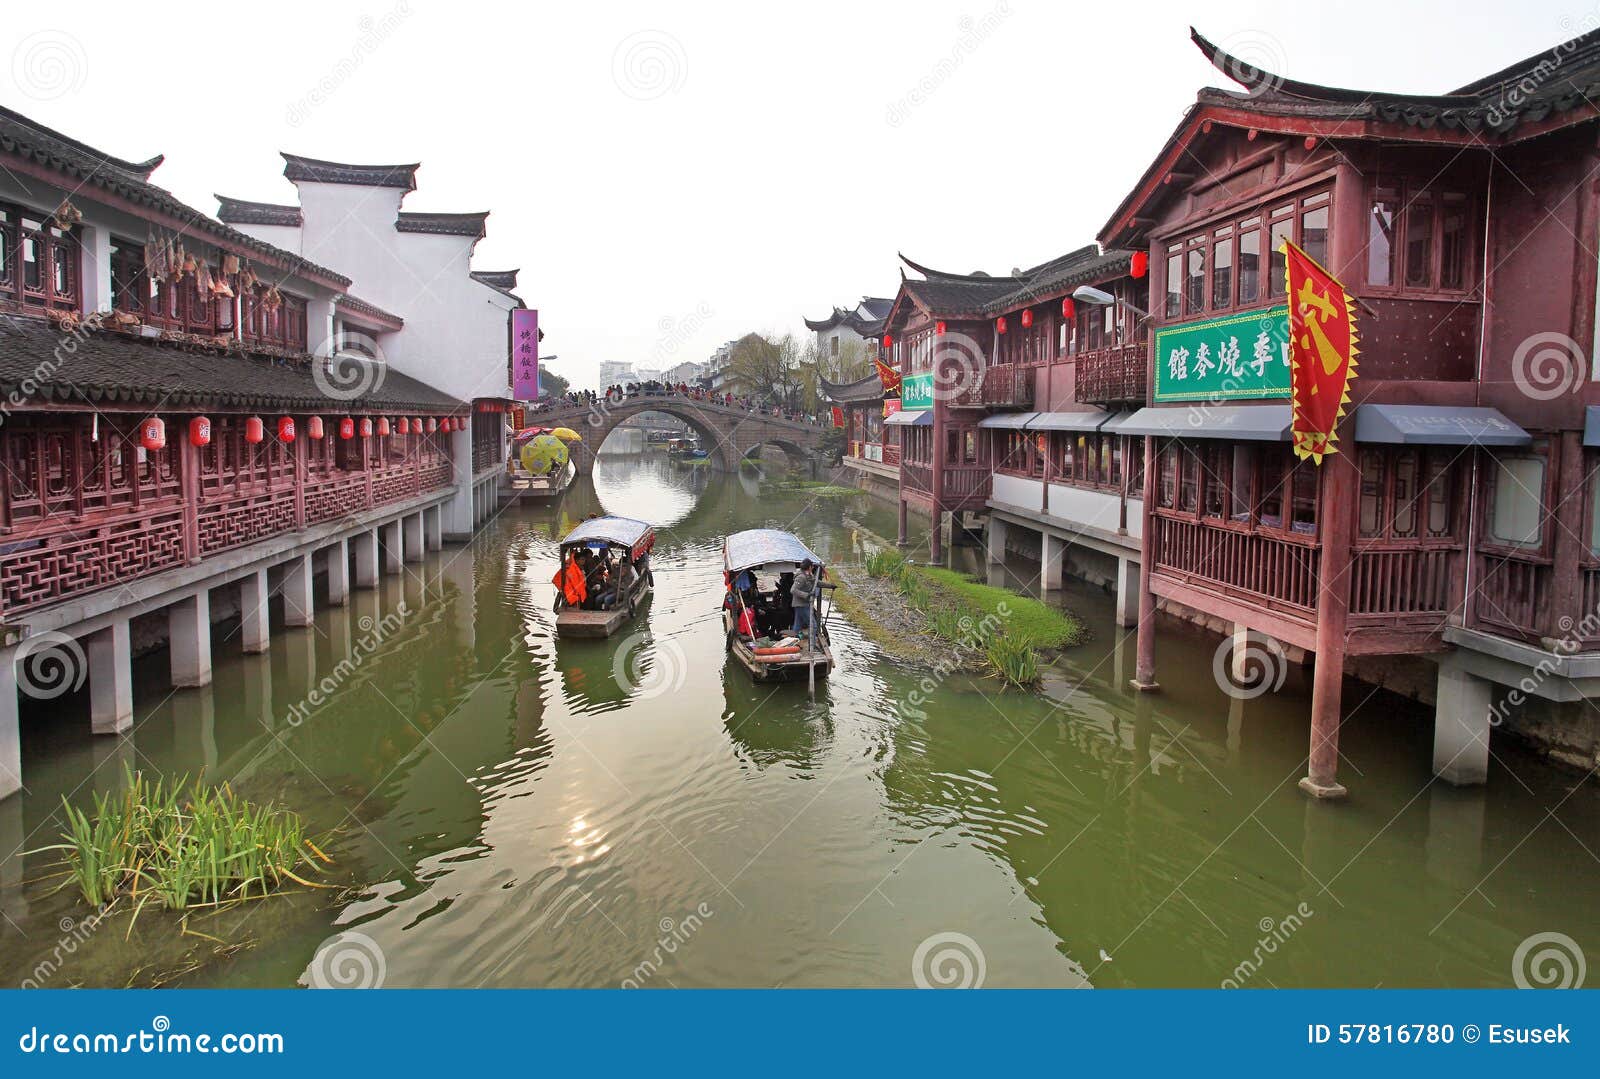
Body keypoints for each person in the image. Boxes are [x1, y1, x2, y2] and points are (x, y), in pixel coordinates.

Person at [791, 560, 817, 639]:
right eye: (812, 566)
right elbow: (793, 590)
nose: (812, 568)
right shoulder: (801, 577)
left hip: (803, 604)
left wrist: (830, 586)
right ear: (809, 567)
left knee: (797, 625)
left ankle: (794, 641)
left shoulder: (808, 575)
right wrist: (807, 595)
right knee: (813, 625)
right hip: (801, 604)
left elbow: (816, 582)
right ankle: (811, 644)